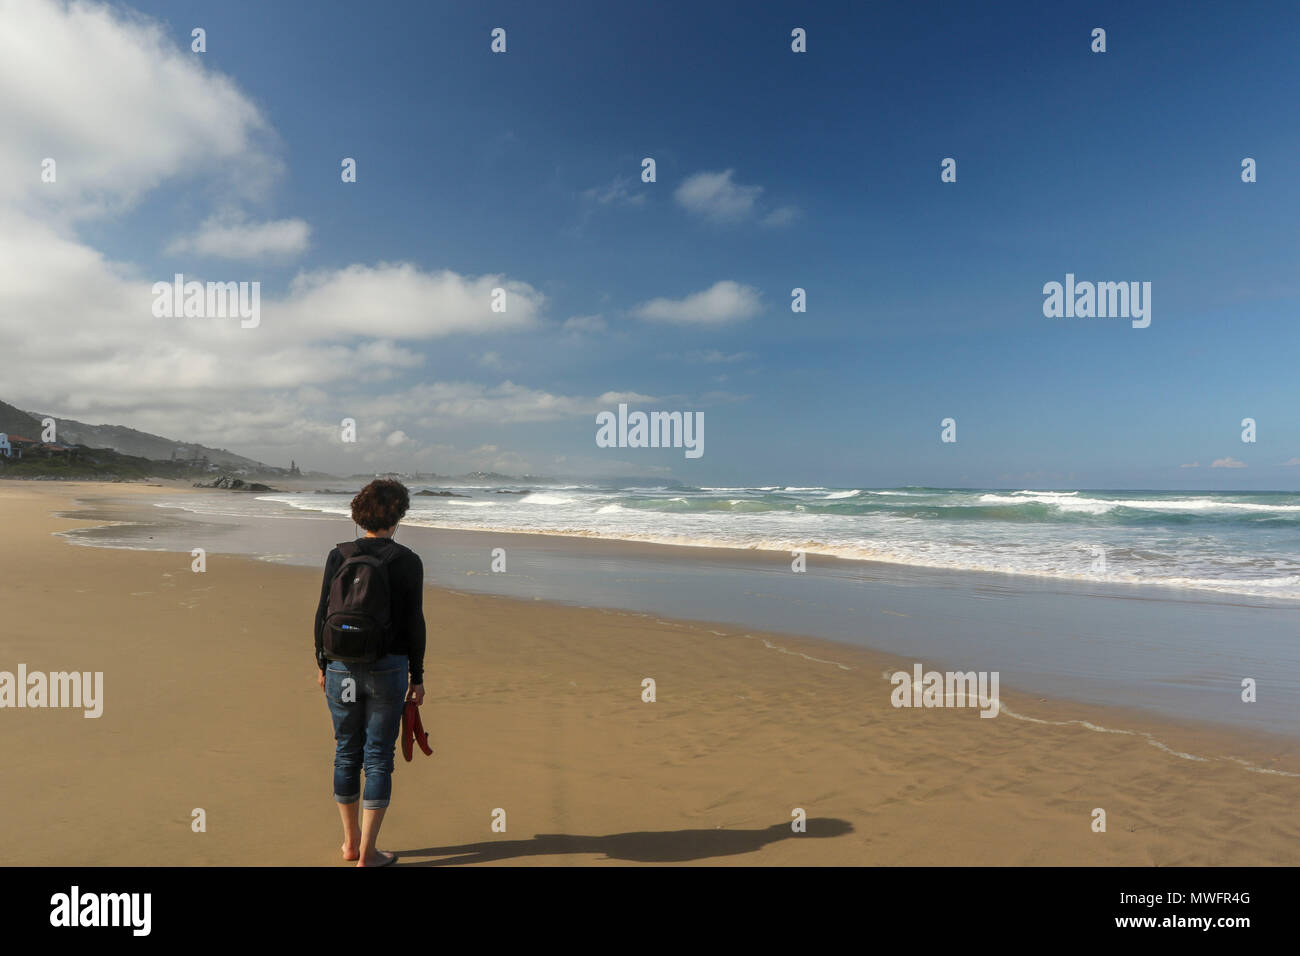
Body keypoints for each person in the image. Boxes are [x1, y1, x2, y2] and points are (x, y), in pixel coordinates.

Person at [314, 479, 426, 867]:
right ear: (398, 515)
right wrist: (418, 676)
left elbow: (322, 612)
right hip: (388, 668)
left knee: (346, 752)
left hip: (340, 666)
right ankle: (368, 855)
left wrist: (321, 662)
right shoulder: (407, 560)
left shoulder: (339, 554)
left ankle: (349, 844)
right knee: (378, 758)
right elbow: (415, 623)